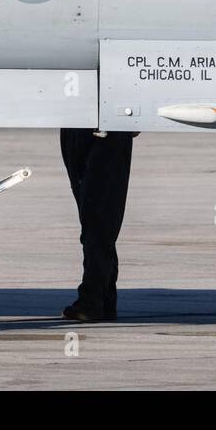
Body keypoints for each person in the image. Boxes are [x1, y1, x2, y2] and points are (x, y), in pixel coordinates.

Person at [59, 128, 137, 322]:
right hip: (75, 125)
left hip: (110, 126)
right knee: (91, 214)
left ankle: (93, 297)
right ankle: (103, 297)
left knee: (98, 214)